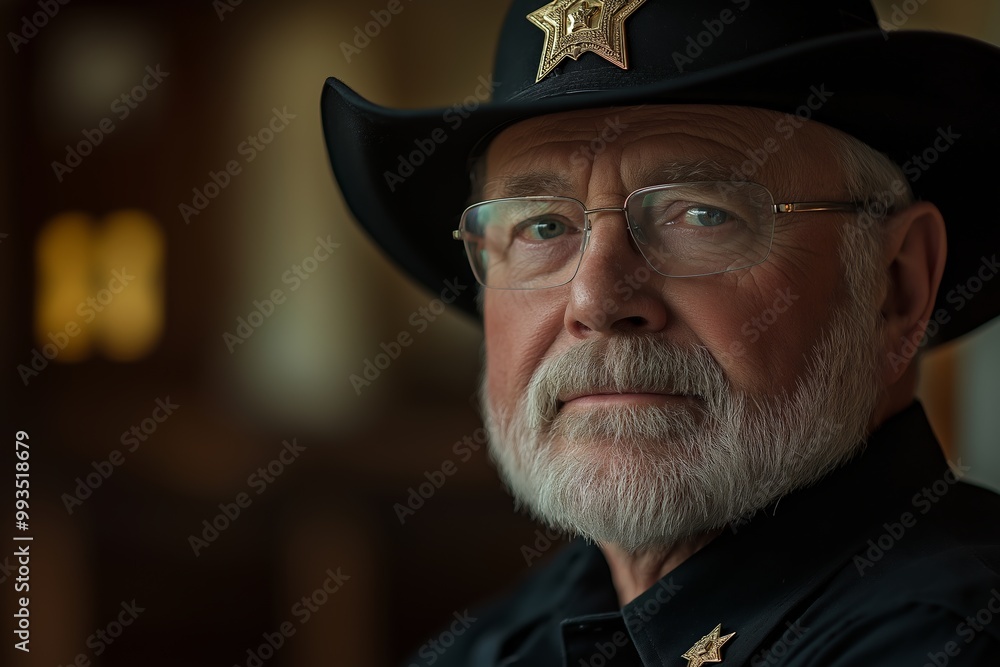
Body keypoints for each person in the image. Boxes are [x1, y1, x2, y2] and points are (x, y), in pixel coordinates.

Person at [321, 0, 1000, 664]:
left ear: (896, 285)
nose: (595, 300)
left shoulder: (947, 636)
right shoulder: (495, 643)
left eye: (702, 214)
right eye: (543, 226)